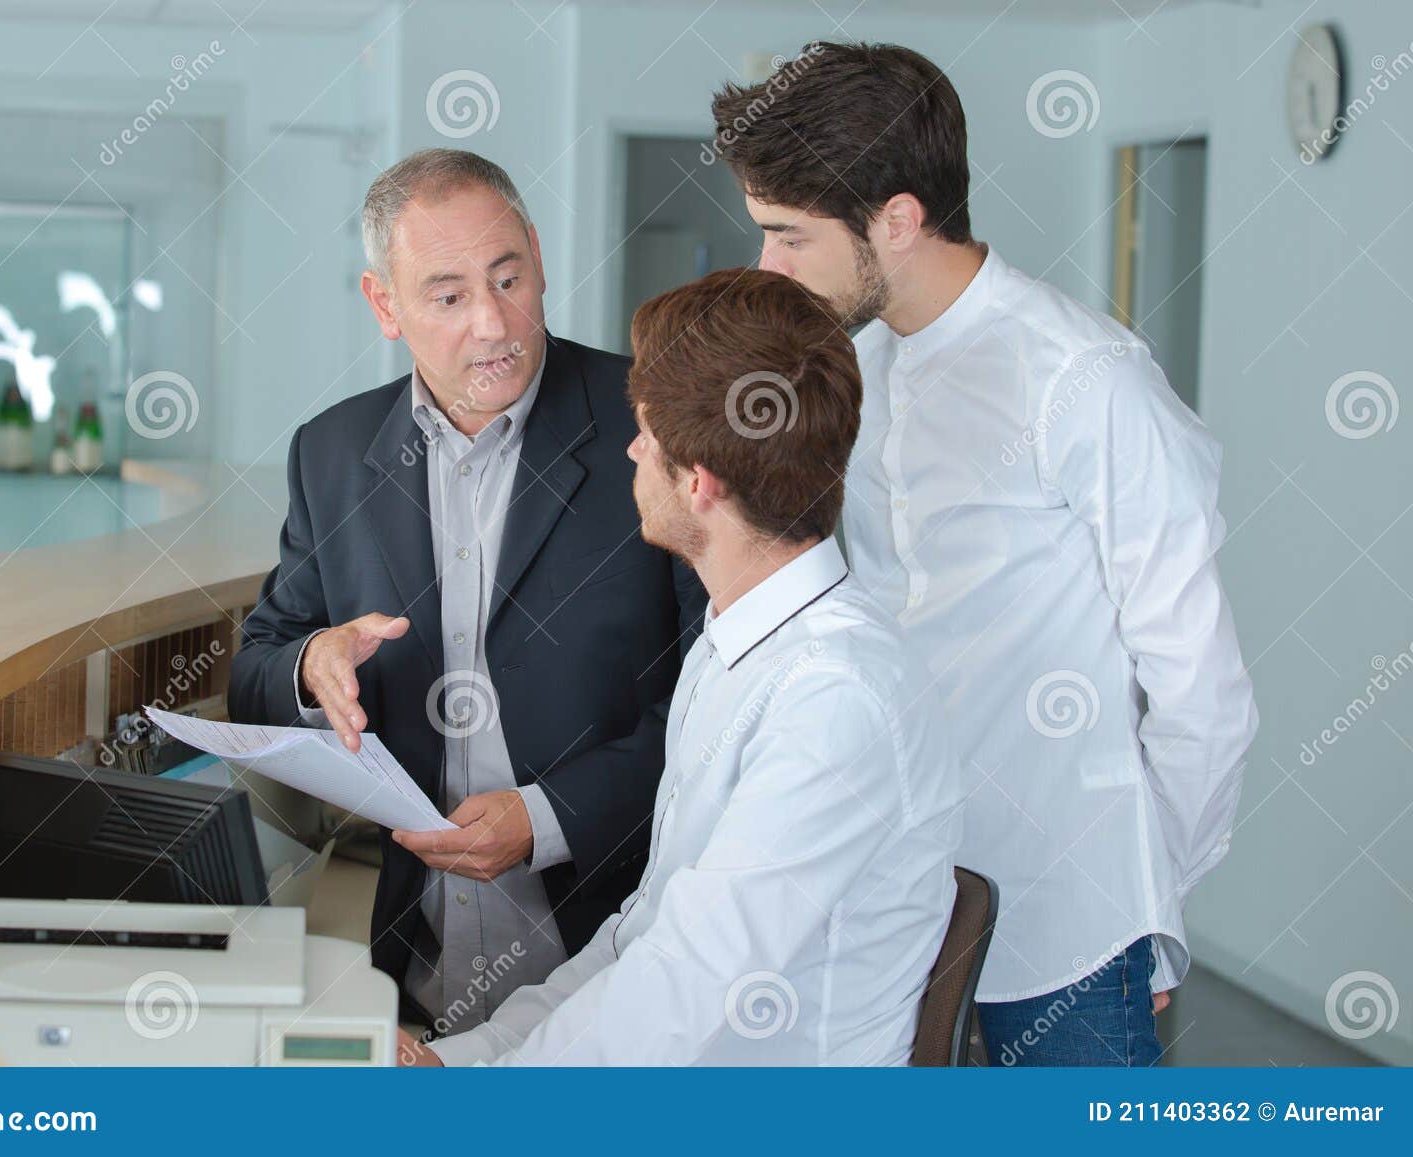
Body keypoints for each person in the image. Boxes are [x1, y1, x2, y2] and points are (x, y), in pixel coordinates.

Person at [711, 41, 1258, 1066]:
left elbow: (1202, 690)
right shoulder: (853, 368)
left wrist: (1150, 911)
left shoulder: (1087, 381)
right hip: (895, 911)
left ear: (899, 219)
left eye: (789, 237)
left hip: (1072, 932)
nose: (767, 270)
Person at [397, 268, 962, 1066]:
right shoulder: (733, 642)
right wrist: (463, 1059)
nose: (631, 447)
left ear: (700, 483)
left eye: (646, 431)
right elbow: (643, 935)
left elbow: (683, 988)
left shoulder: (835, 698)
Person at [227, 148, 706, 1033]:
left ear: (537, 253)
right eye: (448, 297)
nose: (494, 324)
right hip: (420, 964)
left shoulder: (655, 420)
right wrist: (312, 662)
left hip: (623, 959)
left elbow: (714, 703)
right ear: (385, 305)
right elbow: (256, 670)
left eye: (509, 278)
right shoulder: (332, 453)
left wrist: (549, 816)